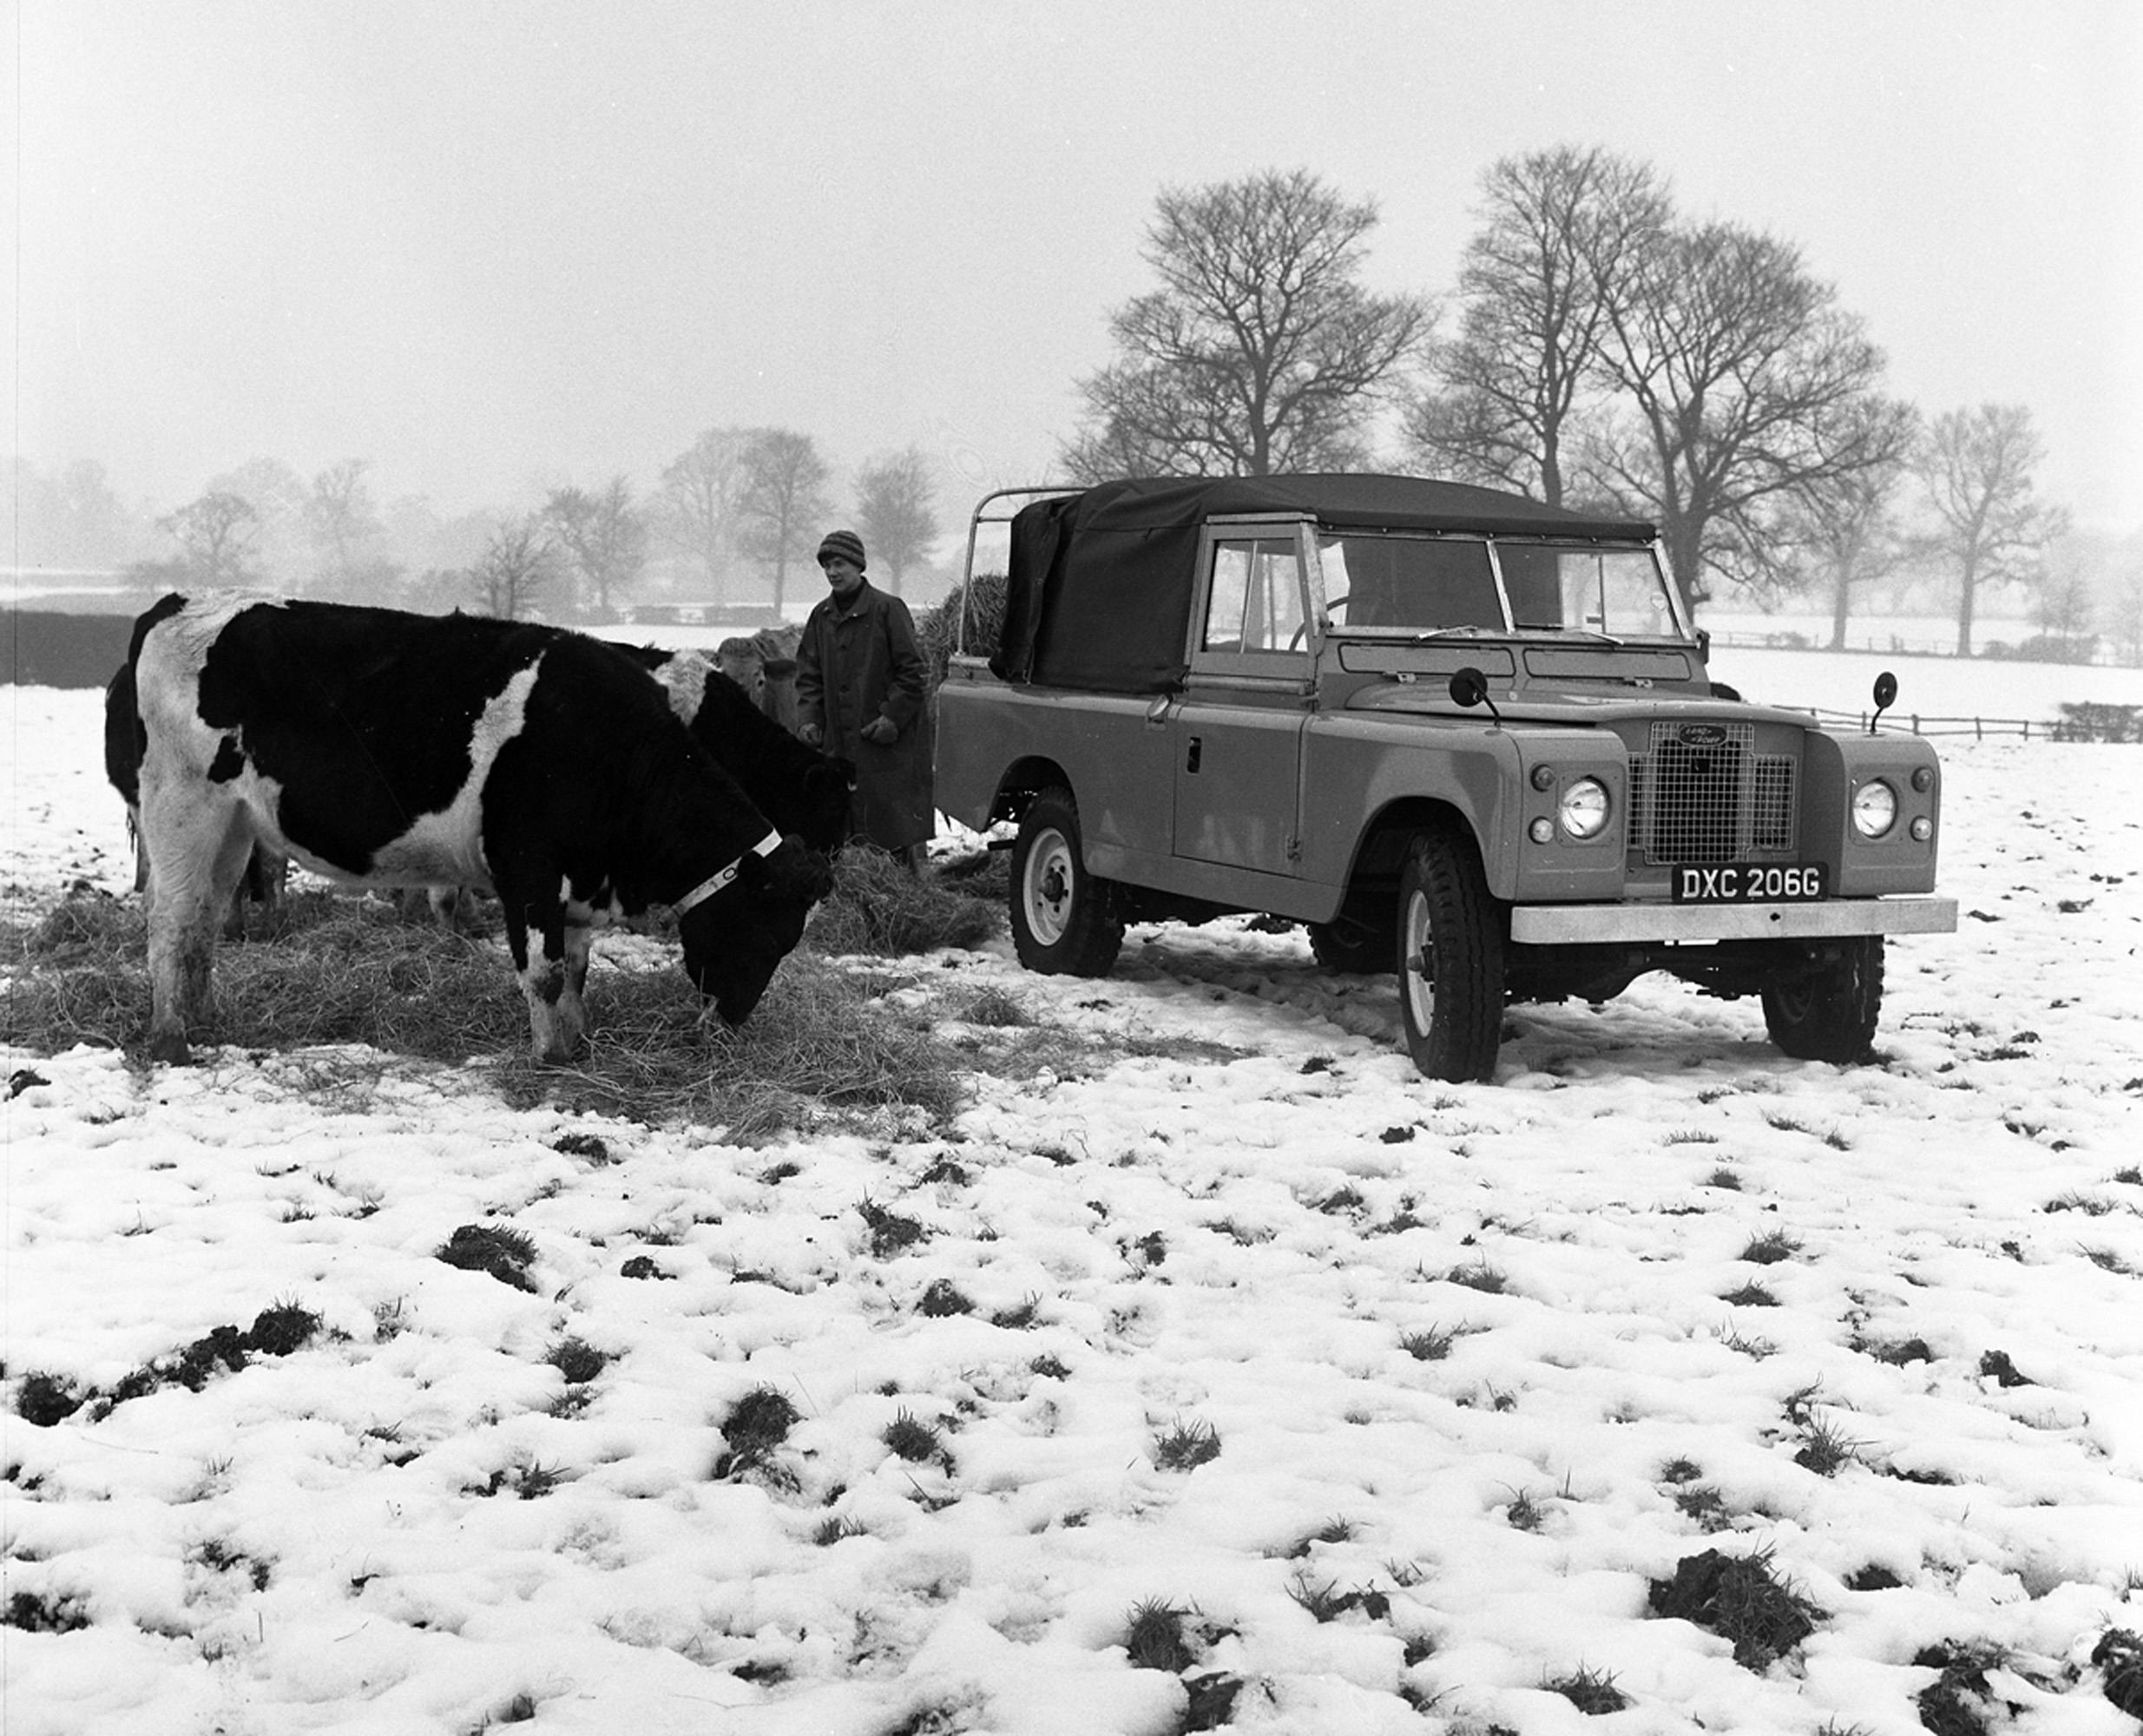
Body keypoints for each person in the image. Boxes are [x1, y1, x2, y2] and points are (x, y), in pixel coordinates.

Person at [794, 529, 934, 871]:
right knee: (843, 832)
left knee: (892, 832)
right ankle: (854, 899)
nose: (832, 572)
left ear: (858, 565)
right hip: (838, 746)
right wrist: (809, 718)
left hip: (885, 745)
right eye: (826, 565)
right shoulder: (820, 616)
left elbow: (914, 672)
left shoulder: (888, 609)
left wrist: (892, 717)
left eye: (839, 563)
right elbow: (808, 674)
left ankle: (907, 898)